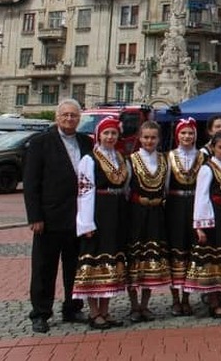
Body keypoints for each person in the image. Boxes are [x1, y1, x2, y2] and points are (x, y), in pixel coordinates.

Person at [24, 98, 93, 333]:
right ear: (57, 117)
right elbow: (31, 183)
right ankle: (41, 312)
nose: (69, 119)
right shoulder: (40, 143)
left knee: (75, 267)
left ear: (79, 118)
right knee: (44, 268)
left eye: (74, 115)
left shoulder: (86, 142)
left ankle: (72, 307)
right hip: (49, 218)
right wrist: (35, 217)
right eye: (65, 115)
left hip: (78, 218)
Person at [73, 115, 128, 329]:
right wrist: (86, 223)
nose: (110, 137)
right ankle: (94, 311)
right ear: (98, 135)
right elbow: (85, 192)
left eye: (114, 133)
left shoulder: (120, 158)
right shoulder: (90, 159)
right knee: (94, 260)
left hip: (116, 213)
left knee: (111, 261)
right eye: (106, 133)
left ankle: (106, 310)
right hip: (98, 212)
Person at [184, 131, 221, 318]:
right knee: (213, 259)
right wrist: (200, 225)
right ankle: (213, 300)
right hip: (214, 218)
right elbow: (201, 196)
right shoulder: (208, 168)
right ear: (213, 148)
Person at [125, 120, 171, 322]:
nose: (149, 141)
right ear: (139, 138)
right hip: (136, 214)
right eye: (146, 137)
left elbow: (166, 188)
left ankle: (145, 304)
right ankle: (134, 305)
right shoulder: (131, 160)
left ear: (158, 139)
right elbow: (126, 190)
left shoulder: (164, 160)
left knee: (151, 259)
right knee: (135, 259)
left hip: (156, 215)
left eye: (153, 137)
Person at [167, 117, 204, 316]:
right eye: (183, 133)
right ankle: (174, 299)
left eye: (190, 133)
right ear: (177, 135)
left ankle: (187, 297)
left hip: (194, 207)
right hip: (175, 207)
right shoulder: (169, 156)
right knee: (176, 250)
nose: (187, 136)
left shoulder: (202, 157)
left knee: (192, 251)